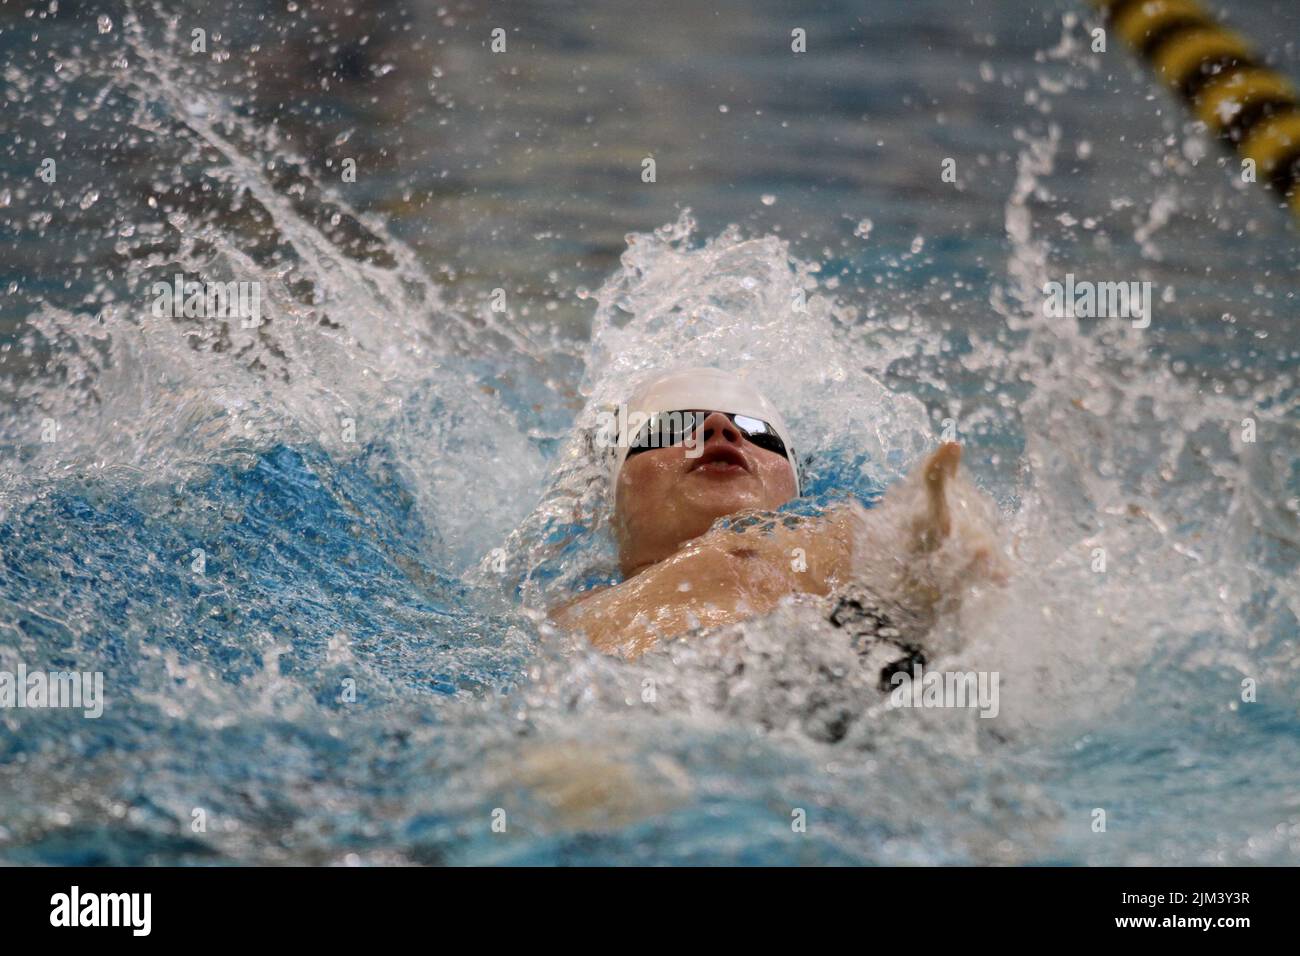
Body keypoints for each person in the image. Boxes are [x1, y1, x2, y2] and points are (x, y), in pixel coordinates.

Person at [551, 367, 1006, 663]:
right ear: (613, 505)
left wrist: (942, 555)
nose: (720, 429)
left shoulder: (844, 540)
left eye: (757, 433)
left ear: (793, 485)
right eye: (672, 427)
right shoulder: (564, 619)